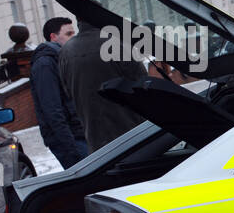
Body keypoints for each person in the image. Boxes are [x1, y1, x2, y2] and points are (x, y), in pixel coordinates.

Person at [59, 18, 147, 153]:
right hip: (130, 130)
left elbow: (68, 91)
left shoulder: (66, 52)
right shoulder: (117, 43)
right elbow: (143, 83)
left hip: (94, 135)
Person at [28, 17, 88, 169]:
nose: (73, 37)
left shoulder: (62, 58)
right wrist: (70, 145)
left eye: (74, 33)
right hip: (68, 139)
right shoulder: (45, 64)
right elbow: (52, 108)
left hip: (77, 133)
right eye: (68, 34)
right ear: (53, 37)